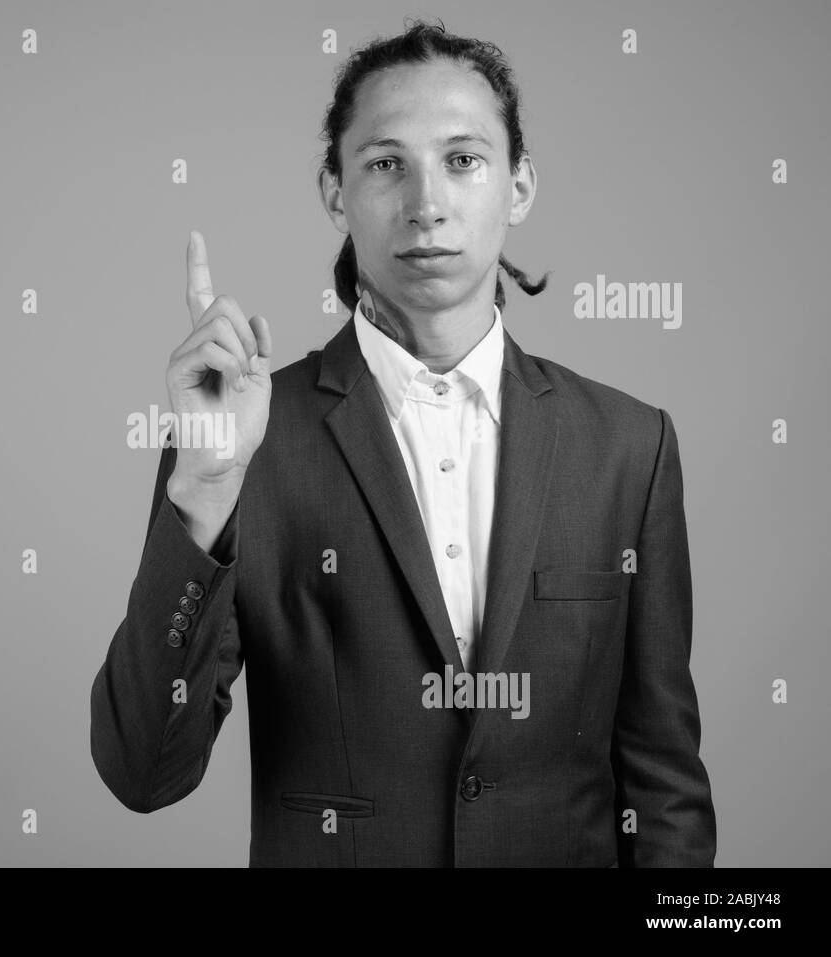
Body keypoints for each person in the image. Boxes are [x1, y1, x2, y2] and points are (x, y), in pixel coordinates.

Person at [90, 19, 716, 867]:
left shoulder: (629, 447)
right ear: (336, 191)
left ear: (520, 185)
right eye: (386, 164)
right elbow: (143, 771)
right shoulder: (244, 439)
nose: (427, 203)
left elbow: (664, 784)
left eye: (463, 160)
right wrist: (205, 487)